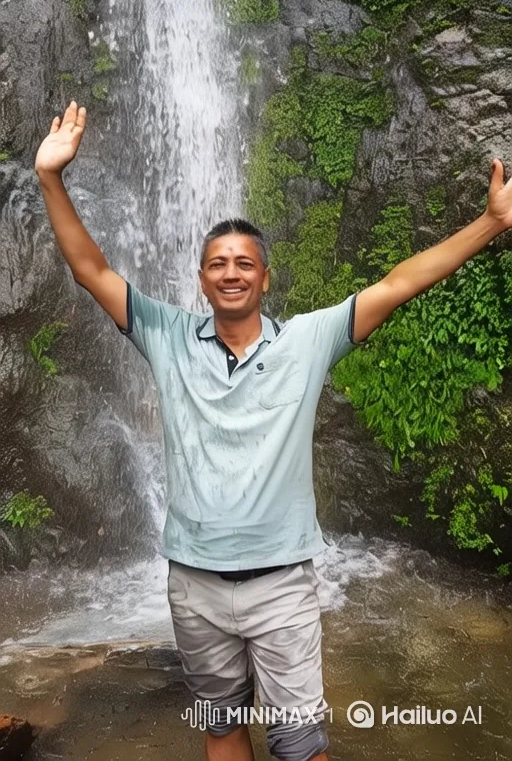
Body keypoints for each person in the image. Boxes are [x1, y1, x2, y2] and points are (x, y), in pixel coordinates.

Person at [35, 100, 512, 761]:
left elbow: (399, 283)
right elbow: (91, 270)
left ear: (264, 275)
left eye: (243, 263)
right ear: (202, 280)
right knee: (220, 727)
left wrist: (489, 223)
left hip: (282, 587)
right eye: (217, 264)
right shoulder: (167, 336)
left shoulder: (309, 340)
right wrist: (51, 180)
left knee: (300, 742)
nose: (230, 272)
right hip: (193, 587)